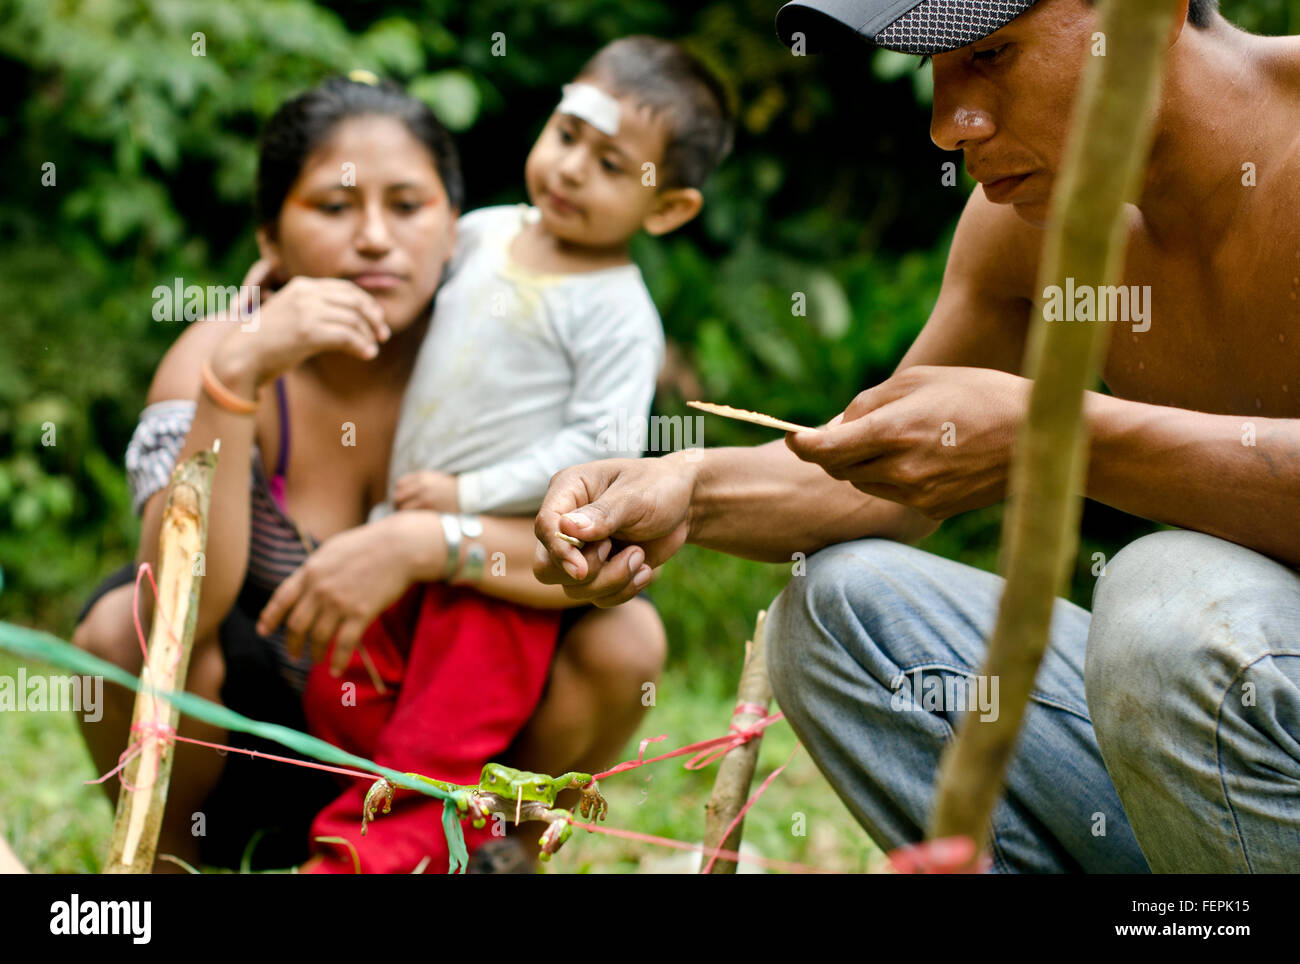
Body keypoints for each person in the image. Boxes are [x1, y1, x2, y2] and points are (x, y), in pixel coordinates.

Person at [533, 0, 1300, 873]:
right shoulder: (1021, 227)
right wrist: (684, 488)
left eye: (993, 54)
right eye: (933, 68)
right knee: (840, 611)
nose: (947, 127)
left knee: (1166, 600)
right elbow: (872, 478)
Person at [69, 74, 663, 873]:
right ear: (271, 240)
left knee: (626, 636)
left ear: (455, 229)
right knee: (117, 631)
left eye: (409, 205)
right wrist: (235, 380)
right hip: (260, 754)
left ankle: (502, 855)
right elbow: (168, 610)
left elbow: (596, 565)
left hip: (451, 752)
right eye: (334, 207)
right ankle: (172, 861)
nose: (376, 238)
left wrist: (426, 544)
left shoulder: (506, 363)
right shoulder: (221, 357)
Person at [292, 38, 734, 871]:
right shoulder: (483, 233)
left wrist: (469, 490)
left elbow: (600, 448)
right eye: (566, 136)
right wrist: (283, 290)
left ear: (668, 209)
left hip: (501, 570)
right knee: (343, 685)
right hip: (403, 531)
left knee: (441, 737)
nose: (570, 170)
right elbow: (400, 290)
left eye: (610, 165)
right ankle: (448, 841)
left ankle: (367, 860)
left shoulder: (616, 314)